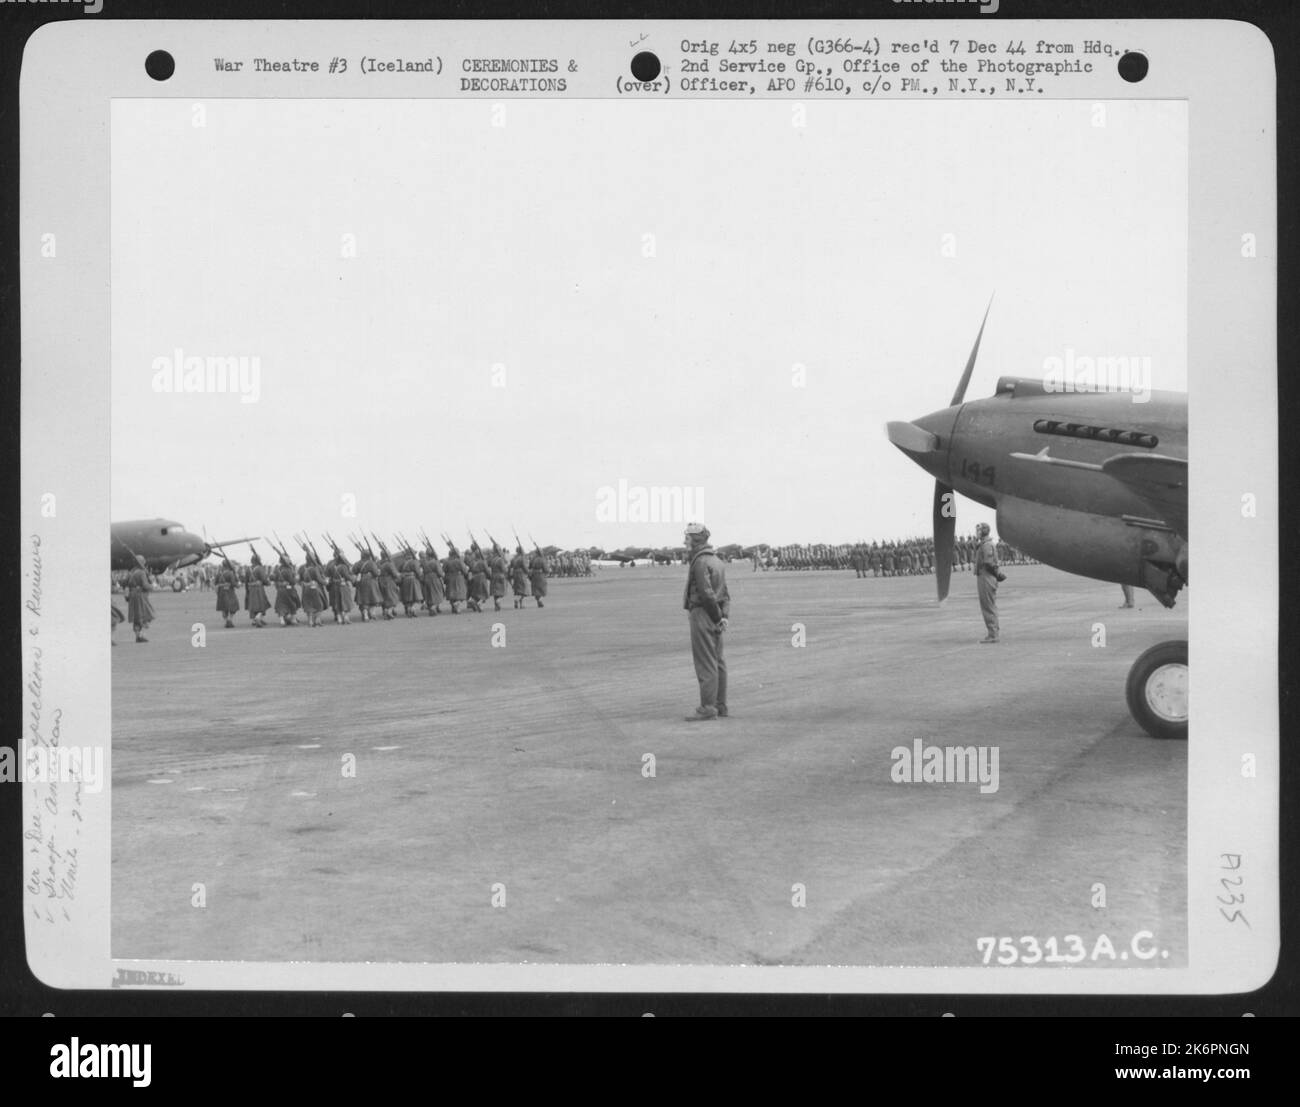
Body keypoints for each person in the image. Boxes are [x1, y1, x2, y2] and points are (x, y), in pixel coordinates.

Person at [682, 522, 730, 721]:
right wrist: (723, 617)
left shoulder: (700, 562)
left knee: (705, 662)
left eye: (687, 538)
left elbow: (706, 593)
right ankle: (720, 705)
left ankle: (708, 708)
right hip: (716, 614)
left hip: (703, 613)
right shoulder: (716, 561)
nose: (685, 541)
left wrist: (716, 616)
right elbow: (725, 594)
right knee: (718, 661)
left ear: (696, 540)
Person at [973, 522, 1005, 643]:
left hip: (986, 577)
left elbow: (988, 563)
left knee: (988, 606)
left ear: (983, 532)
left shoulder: (986, 545)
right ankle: (993, 632)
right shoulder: (983, 544)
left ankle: (993, 635)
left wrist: (997, 575)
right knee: (989, 605)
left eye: (978, 530)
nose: (976, 532)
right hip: (986, 576)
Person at [126, 555, 154, 643]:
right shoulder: (141, 572)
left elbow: (125, 583)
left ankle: (138, 636)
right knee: (144, 615)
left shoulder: (131, 572)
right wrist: (151, 586)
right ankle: (140, 636)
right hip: (140, 596)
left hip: (132, 595)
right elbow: (145, 585)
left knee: (136, 617)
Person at [245, 551, 272, 627]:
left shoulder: (248, 569)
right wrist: (267, 583)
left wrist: (247, 590)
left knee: (254, 605)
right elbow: (264, 579)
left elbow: (246, 581)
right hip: (258, 589)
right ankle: (257, 618)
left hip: (251, 589)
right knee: (262, 604)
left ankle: (255, 620)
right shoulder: (259, 568)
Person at [215, 558, 242, 628]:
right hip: (229, 592)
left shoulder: (219, 573)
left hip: (221, 592)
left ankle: (226, 621)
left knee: (224, 607)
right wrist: (238, 585)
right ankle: (229, 619)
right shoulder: (230, 573)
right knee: (234, 606)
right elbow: (233, 583)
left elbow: (215, 583)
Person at [488, 543, 508, 612]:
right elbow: (504, 569)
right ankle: (498, 601)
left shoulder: (492, 560)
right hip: (500, 576)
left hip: (493, 576)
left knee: (495, 592)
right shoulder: (500, 560)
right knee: (502, 592)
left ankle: (496, 607)